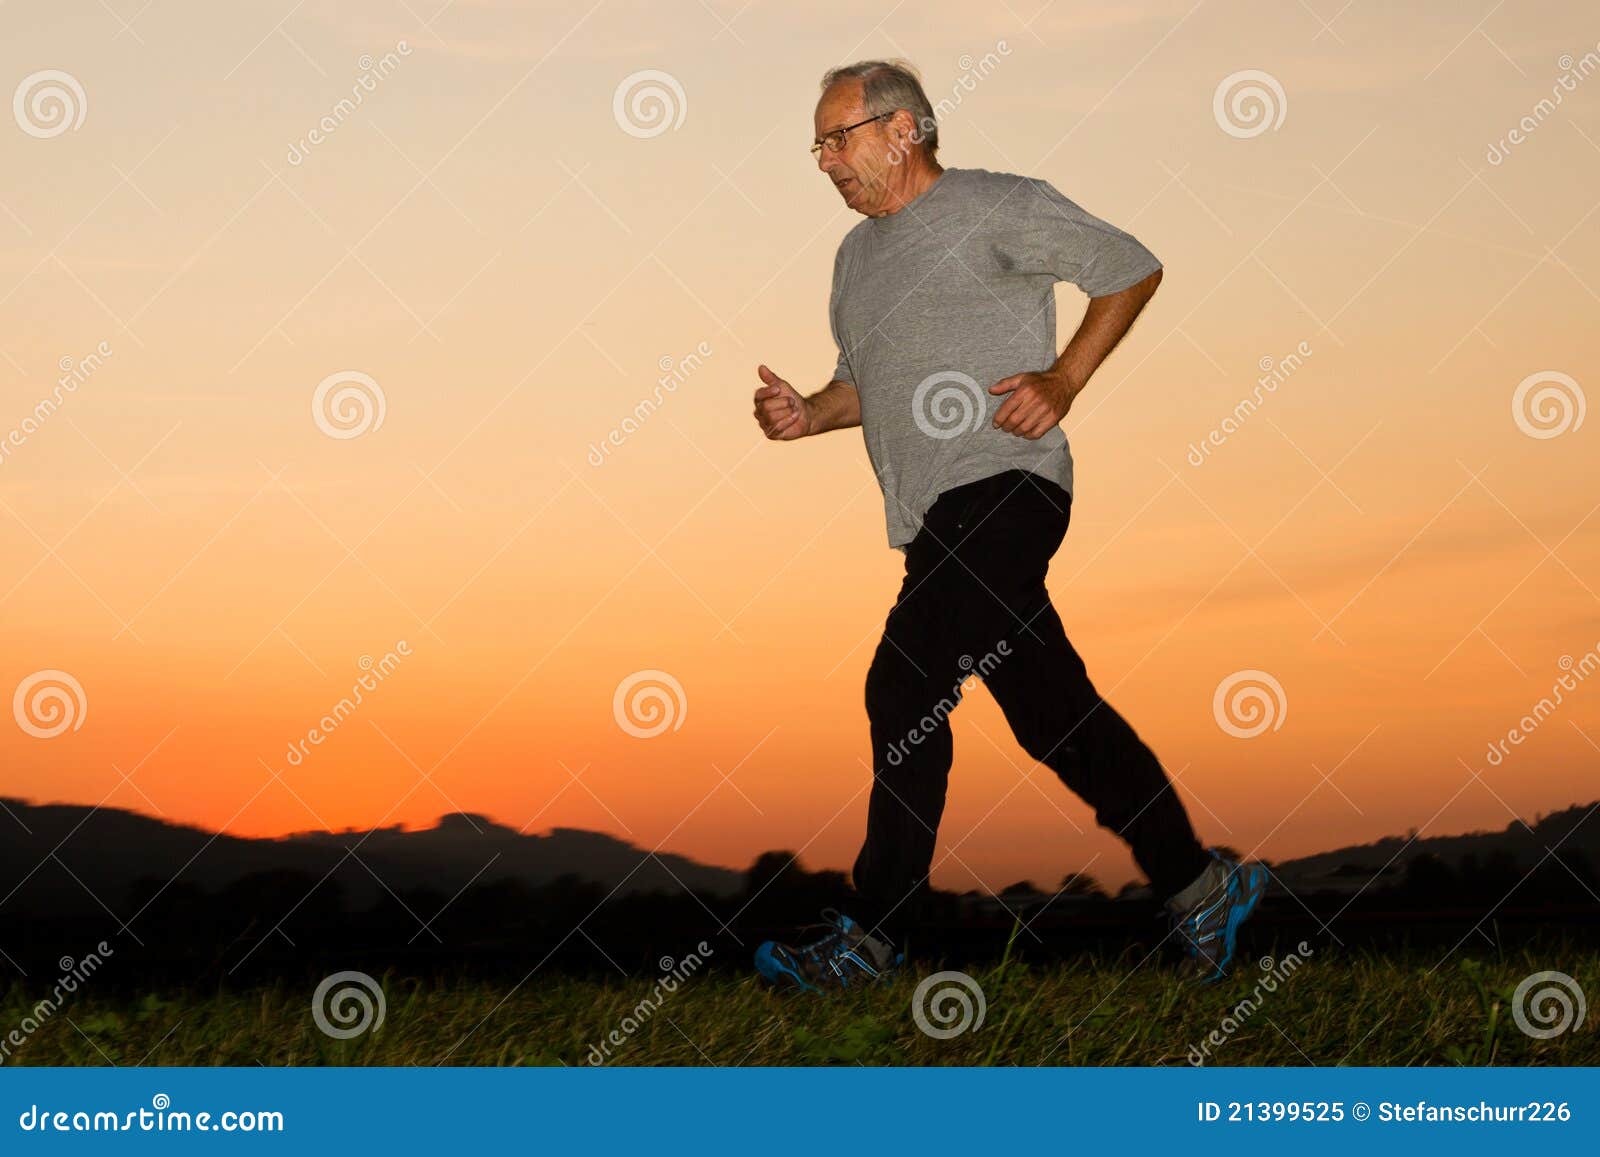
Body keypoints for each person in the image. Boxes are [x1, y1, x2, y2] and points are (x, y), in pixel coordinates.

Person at [750, 60, 1266, 991]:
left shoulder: (996, 203)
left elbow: (1130, 268)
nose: (824, 162)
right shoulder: (854, 260)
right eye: (817, 146)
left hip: (1006, 489)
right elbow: (864, 385)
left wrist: (1064, 379)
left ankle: (872, 938)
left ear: (903, 130)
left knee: (904, 683)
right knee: (1053, 715)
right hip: (932, 521)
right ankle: (1203, 887)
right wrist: (809, 412)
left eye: (838, 138)